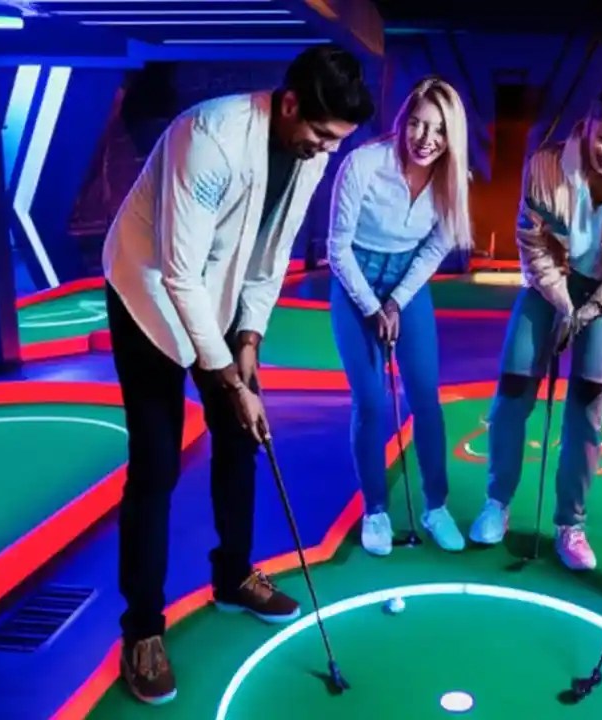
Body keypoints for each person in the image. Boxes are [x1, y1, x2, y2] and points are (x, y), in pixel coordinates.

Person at [101, 43, 374, 705]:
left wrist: (248, 340)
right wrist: (227, 379)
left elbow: (271, 252)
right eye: (319, 133)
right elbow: (177, 273)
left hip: (213, 291)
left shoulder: (312, 153)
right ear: (288, 105)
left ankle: (233, 576)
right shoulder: (208, 138)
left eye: (336, 140)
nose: (324, 149)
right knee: (157, 462)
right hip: (147, 290)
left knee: (241, 438)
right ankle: (142, 630)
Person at [468, 81, 602, 571]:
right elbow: (532, 244)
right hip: (549, 284)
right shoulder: (545, 165)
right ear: (587, 125)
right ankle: (497, 502)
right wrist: (561, 302)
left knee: (587, 405)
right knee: (513, 386)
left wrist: (587, 313)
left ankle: (569, 525)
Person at [325, 77, 473, 556]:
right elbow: (337, 247)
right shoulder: (363, 164)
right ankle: (376, 510)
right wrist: (371, 306)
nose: (425, 138)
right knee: (370, 401)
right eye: (416, 123)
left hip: (407, 284)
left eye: (438, 129)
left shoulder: (454, 179)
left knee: (425, 398)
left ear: (453, 136)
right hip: (355, 282)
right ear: (403, 120)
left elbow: (435, 247)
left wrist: (396, 302)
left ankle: (436, 506)